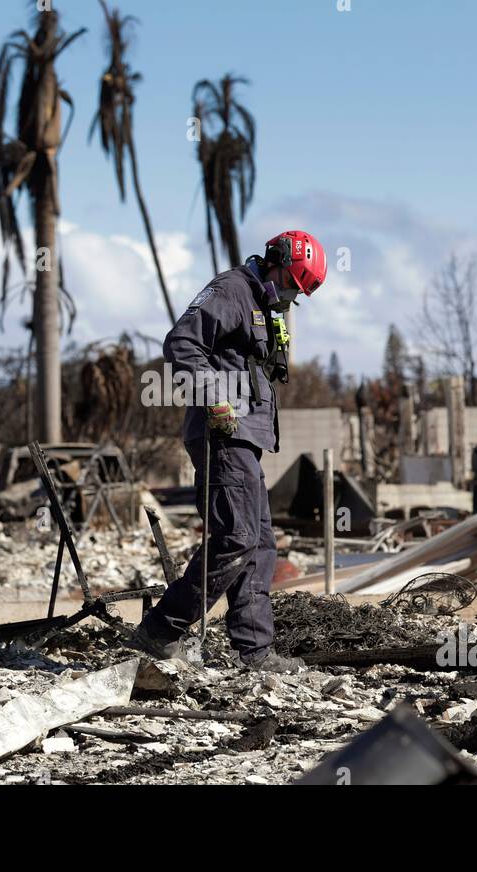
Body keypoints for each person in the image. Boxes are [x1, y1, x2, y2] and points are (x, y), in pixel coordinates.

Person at [128, 230, 327, 672]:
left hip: (246, 437)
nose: (292, 296)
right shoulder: (232, 290)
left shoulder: (264, 305)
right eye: (292, 283)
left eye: (299, 291)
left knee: (259, 544)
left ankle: (254, 654)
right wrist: (214, 396)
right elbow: (181, 342)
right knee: (235, 538)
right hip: (221, 434)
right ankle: (159, 632)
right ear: (275, 260)